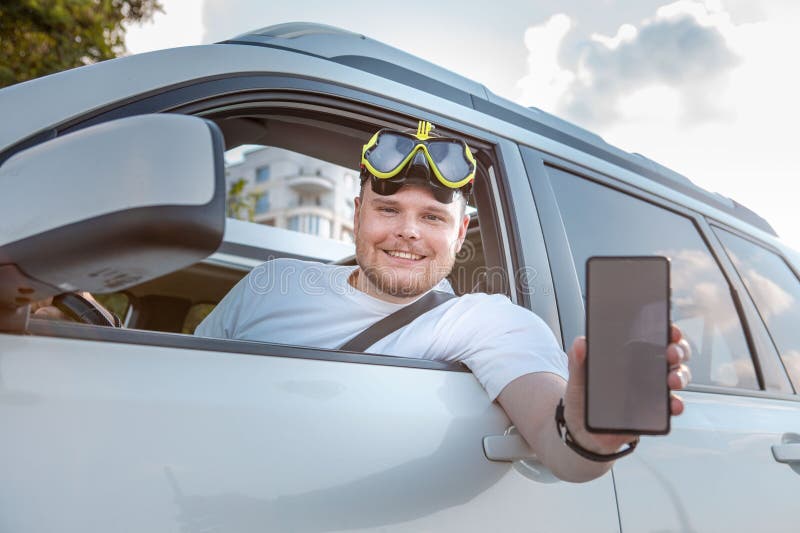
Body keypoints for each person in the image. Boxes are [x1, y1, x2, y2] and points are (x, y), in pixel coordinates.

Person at [195, 120, 692, 483]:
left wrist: (588, 433)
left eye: (432, 218)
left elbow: (554, 437)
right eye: (388, 209)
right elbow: (185, 393)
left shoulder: (484, 323)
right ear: (356, 215)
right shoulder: (269, 285)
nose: (407, 231)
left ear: (460, 233)